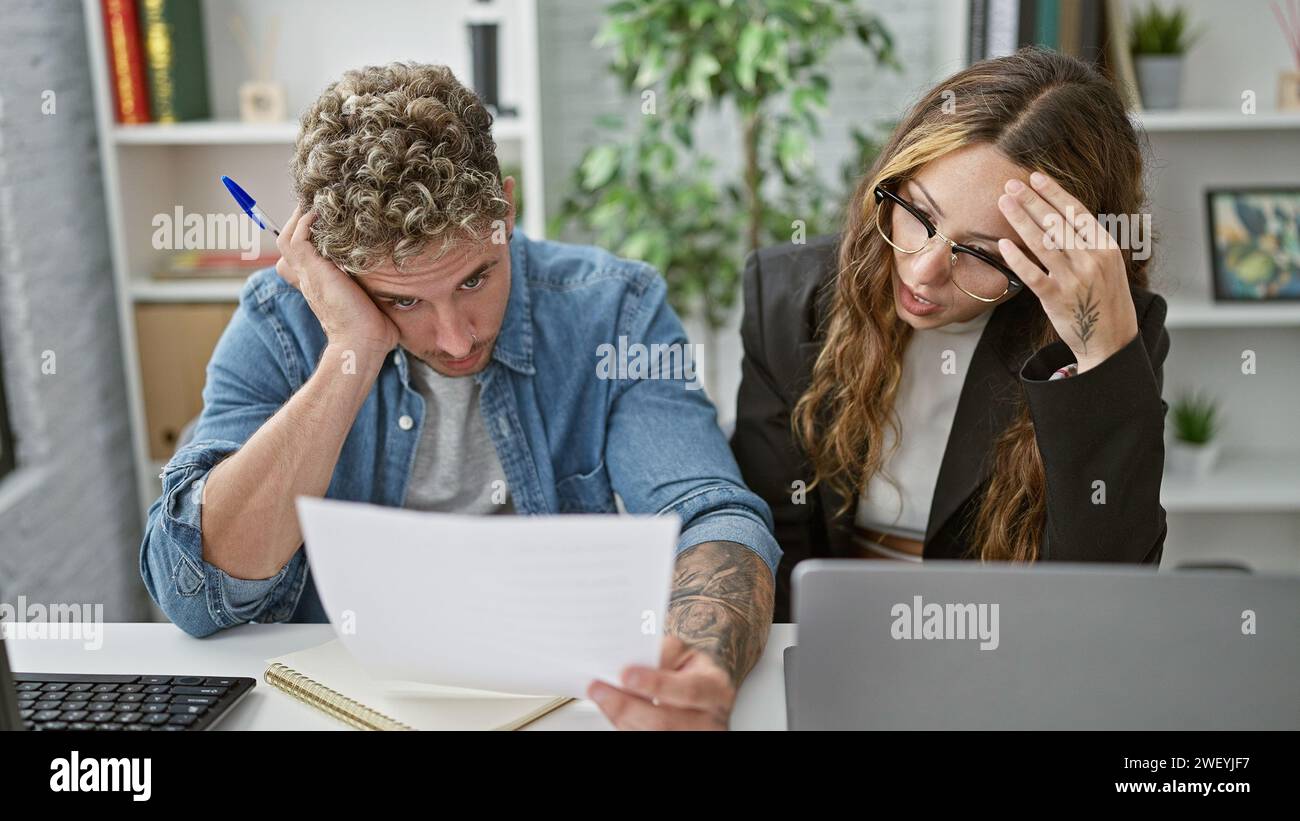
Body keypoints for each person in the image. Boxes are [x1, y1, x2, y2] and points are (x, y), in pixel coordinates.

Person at [141, 62, 779, 730]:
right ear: (335, 269)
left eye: (475, 280)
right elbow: (196, 591)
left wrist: (702, 666)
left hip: (561, 705)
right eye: (403, 299)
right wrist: (350, 353)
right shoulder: (281, 322)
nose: (454, 339)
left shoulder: (614, 310)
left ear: (505, 208)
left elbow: (711, 515)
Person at [730, 48, 1170, 622]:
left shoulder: (1108, 330)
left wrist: (1100, 353)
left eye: (979, 253)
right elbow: (771, 537)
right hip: (826, 630)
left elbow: (1105, 596)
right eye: (918, 214)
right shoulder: (789, 295)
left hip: (998, 644)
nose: (922, 269)